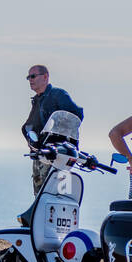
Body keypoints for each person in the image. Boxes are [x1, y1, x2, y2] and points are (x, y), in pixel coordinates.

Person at [22, 64, 83, 193]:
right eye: (28, 77)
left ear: (45, 77)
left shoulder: (58, 94)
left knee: (55, 195)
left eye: (33, 76)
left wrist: (60, 132)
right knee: (39, 198)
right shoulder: (38, 100)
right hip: (40, 156)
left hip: (56, 157)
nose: (30, 80)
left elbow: (77, 115)